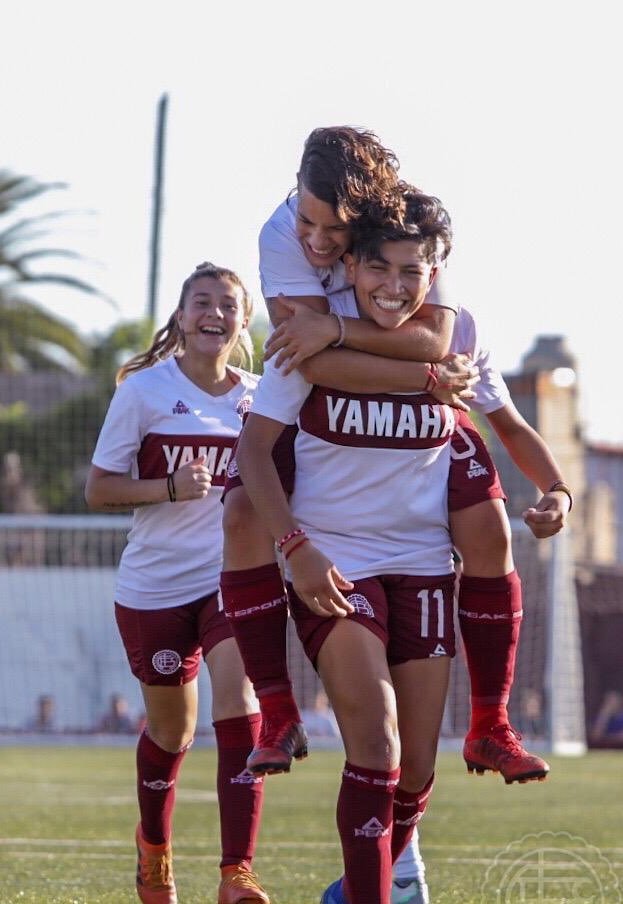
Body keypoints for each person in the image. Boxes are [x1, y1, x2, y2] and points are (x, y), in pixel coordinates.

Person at [221, 125, 567, 785]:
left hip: (419, 472)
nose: (316, 240)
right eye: (308, 221)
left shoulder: (414, 231)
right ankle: (276, 707)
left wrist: (559, 489)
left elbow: (439, 339)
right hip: (332, 433)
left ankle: (491, 722)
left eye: (335, 229)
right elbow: (312, 361)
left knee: (491, 528)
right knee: (241, 514)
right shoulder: (282, 234)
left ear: (367, 219)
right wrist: (427, 380)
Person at [236, 195, 458, 904]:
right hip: (337, 566)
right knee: (378, 743)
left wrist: (549, 494)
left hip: (424, 564)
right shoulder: (304, 338)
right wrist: (295, 548)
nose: (394, 285)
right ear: (350, 269)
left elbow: (492, 425)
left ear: (435, 274)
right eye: (377, 267)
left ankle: (348, 895)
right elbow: (254, 452)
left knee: (416, 773)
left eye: (411, 271)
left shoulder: (458, 337)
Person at [85, 263, 269, 904]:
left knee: (239, 700)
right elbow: (100, 488)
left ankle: (236, 869)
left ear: (243, 322)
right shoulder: (143, 391)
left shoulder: (263, 397)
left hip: (230, 578)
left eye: (228, 304)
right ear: (182, 316)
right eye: (202, 302)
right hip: (154, 587)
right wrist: (168, 487)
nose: (214, 313)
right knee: (173, 729)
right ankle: (154, 844)